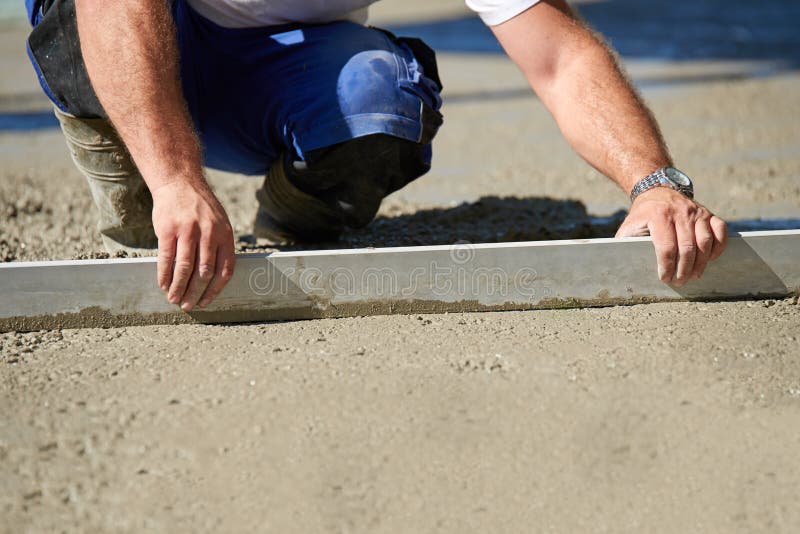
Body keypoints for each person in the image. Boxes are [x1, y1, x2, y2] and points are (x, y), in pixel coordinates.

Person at [25, 0, 728, 312]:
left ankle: (296, 204)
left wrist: (655, 184)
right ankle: (135, 186)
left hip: (274, 85)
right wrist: (176, 178)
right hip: (137, 47)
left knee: (385, 96)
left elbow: (562, 60)